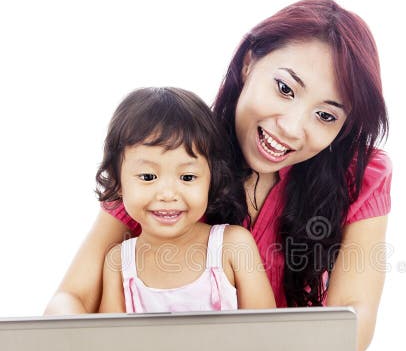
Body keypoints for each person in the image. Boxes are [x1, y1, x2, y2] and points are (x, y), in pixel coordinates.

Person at [46, 0, 391, 351]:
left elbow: (353, 311)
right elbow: (73, 297)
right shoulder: (175, 154)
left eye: (325, 115)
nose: (291, 128)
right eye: (285, 89)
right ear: (248, 62)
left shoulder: (361, 174)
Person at [95, 87, 275, 312]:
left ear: (211, 179)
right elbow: (110, 342)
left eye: (187, 177)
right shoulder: (120, 263)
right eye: (148, 177)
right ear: (117, 181)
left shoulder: (233, 246)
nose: (168, 194)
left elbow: (266, 333)